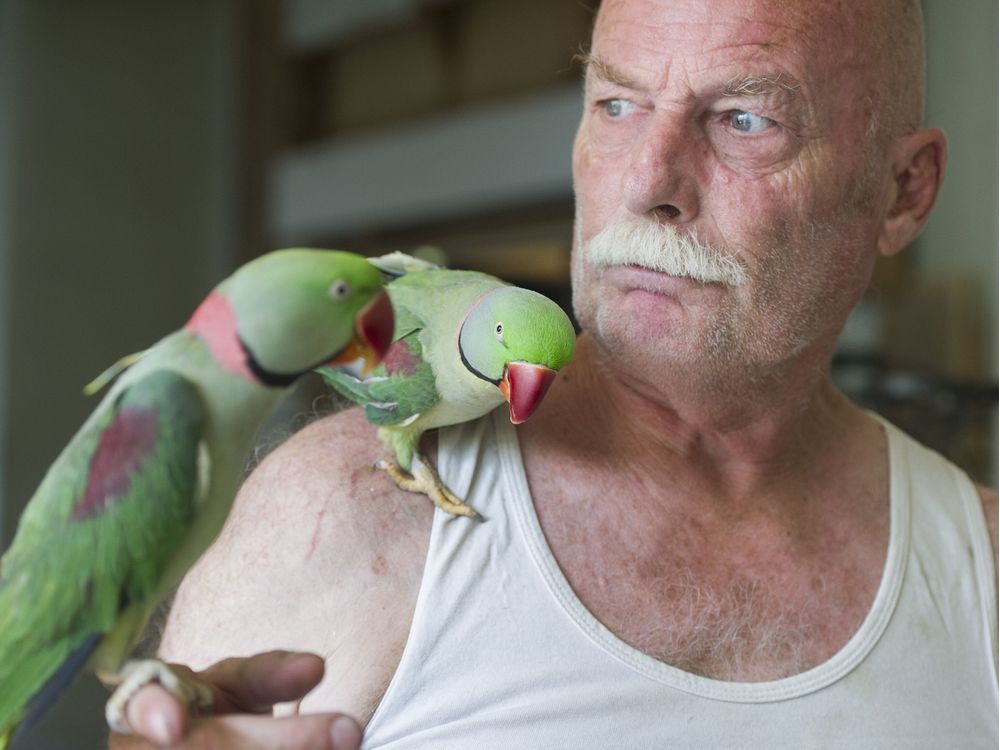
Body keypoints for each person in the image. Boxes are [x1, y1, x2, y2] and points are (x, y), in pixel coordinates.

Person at [111, 0, 998, 747]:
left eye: (744, 120)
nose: (649, 181)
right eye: (616, 104)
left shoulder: (980, 570)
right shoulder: (345, 511)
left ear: (905, 190)